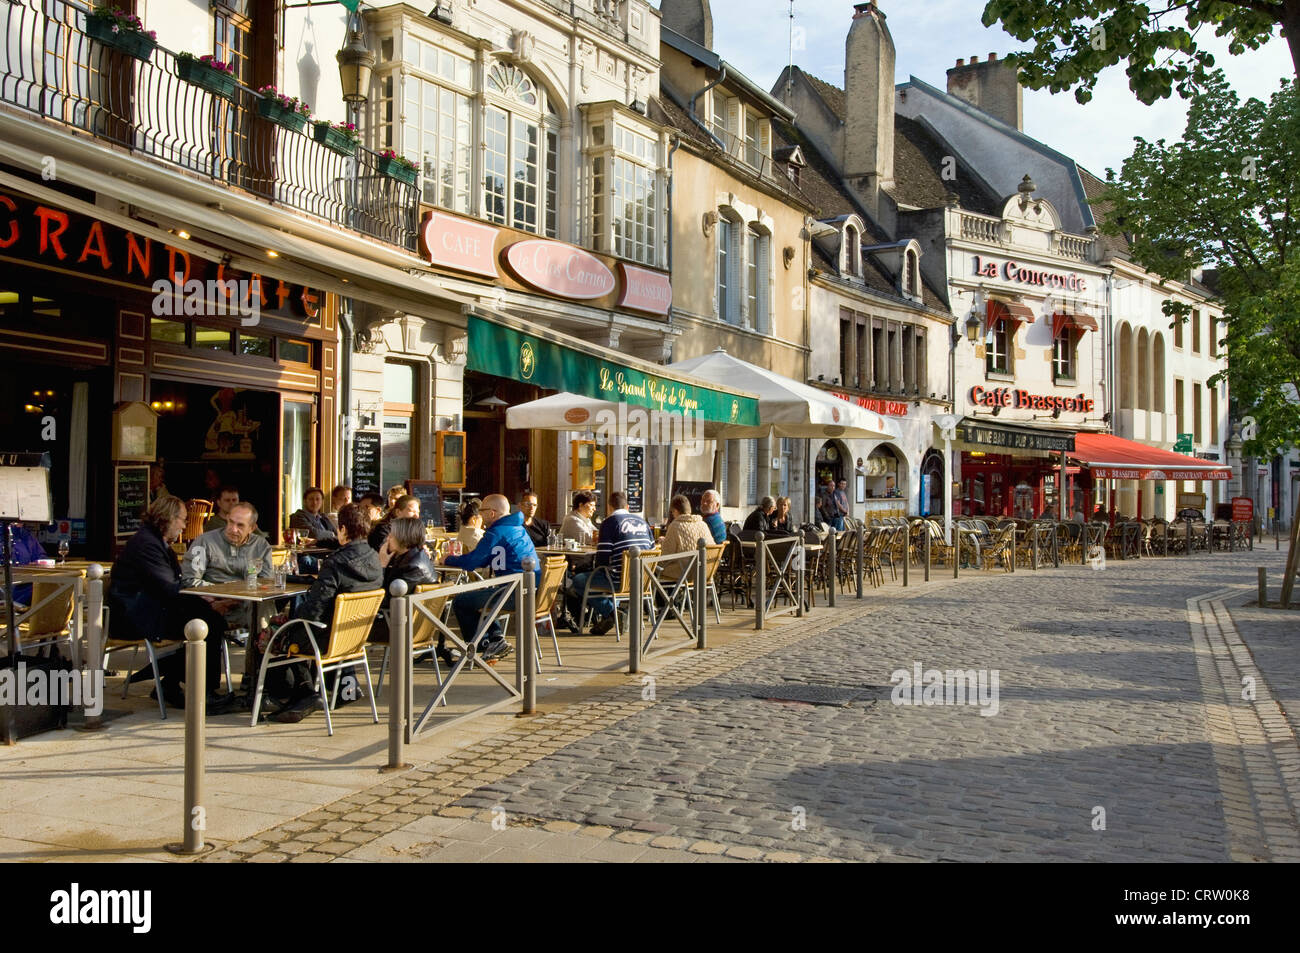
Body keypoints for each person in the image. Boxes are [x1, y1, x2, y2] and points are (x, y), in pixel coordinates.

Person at [108, 496, 232, 712]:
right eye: (183, 520)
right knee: (209, 622)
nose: (185, 525)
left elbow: (174, 584)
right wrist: (207, 599)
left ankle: (169, 681)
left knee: (210, 619)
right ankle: (203, 691)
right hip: (135, 616)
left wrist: (206, 598)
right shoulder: (147, 544)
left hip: (149, 607)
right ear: (168, 519)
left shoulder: (156, 541)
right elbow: (169, 586)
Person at [264, 502, 384, 723]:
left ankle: (305, 693)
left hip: (327, 640)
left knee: (281, 632)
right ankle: (306, 693)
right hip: (354, 637)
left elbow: (314, 610)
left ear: (343, 530)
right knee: (294, 627)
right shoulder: (375, 559)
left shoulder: (336, 562)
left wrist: (289, 620)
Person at [443, 493, 539, 660]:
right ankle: (496, 639)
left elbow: (472, 562)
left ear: (492, 513)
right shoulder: (518, 528)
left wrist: (447, 559)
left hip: (512, 594)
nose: (480, 515)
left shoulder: (496, 532)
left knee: (462, 601)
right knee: (480, 596)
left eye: (483, 511)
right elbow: (484, 559)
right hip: (530, 593)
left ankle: (482, 647)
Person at [569, 491, 653, 636]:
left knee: (578, 580)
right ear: (627, 507)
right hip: (644, 581)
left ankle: (613, 612)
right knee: (604, 576)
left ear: (609, 507)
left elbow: (603, 559)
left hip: (618, 581)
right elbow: (652, 549)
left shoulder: (609, 523)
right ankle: (615, 614)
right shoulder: (643, 522)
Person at [369, 517, 439, 657]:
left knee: (342, 630)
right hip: (417, 626)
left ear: (402, 537)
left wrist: (382, 566)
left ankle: (345, 677)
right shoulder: (415, 557)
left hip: (400, 628)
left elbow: (386, 601)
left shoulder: (412, 566)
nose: (388, 537)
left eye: (392, 534)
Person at [182, 502, 273, 588]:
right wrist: (222, 593)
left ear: (252, 528)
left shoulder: (261, 546)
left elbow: (266, 582)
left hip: (249, 600)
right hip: (212, 599)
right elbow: (189, 580)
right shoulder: (204, 542)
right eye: (231, 522)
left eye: (240, 525)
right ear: (227, 518)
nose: (233, 529)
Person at [658, 495, 713, 580]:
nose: (672, 515)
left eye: (672, 512)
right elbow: (712, 547)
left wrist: (662, 543)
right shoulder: (703, 524)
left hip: (684, 572)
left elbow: (666, 555)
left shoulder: (675, 526)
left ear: (675, 511)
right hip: (705, 571)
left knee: (653, 567)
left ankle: (668, 594)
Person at [2, 522, 48, 606]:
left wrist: (37, 563)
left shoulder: (27, 536)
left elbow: (42, 556)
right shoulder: (3, 536)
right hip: (9, 584)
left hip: (29, 581)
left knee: (49, 588)